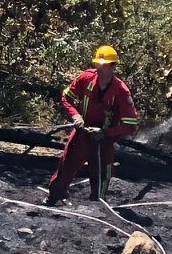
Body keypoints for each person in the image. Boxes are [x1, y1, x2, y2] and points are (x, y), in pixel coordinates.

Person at [47, 44, 140, 206]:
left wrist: (105, 133)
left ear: (113, 67)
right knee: (65, 168)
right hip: (82, 134)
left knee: (102, 177)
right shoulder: (86, 78)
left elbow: (130, 124)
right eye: (98, 63)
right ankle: (55, 197)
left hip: (104, 141)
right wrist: (75, 115)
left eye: (104, 65)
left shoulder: (121, 92)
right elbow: (66, 97)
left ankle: (98, 208)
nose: (99, 67)